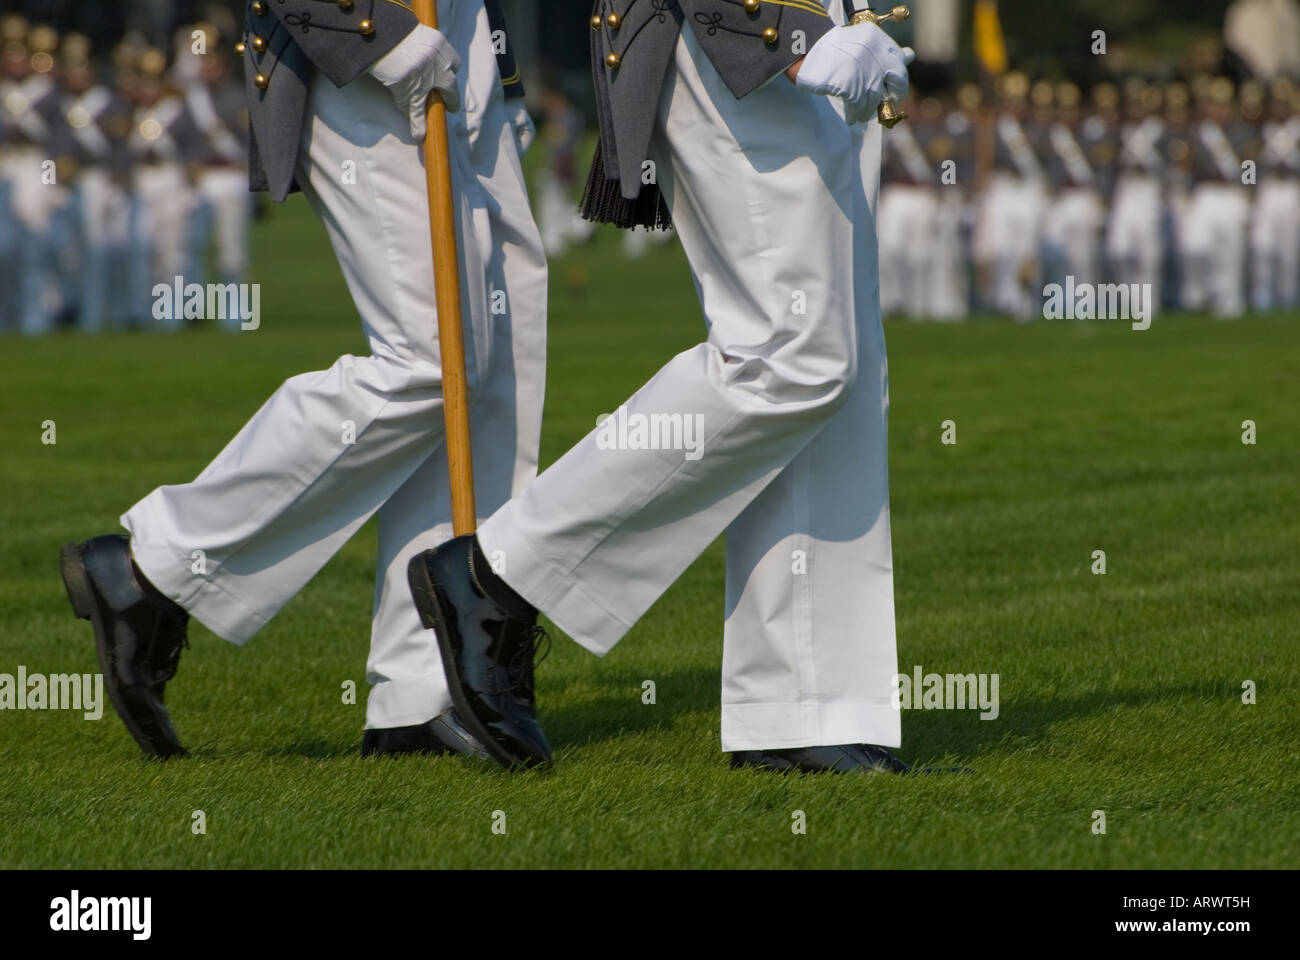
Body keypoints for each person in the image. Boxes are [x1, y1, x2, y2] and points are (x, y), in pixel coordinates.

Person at [407, 0, 918, 775]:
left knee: (838, 369)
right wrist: (794, 28)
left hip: (818, 21)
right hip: (739, 21)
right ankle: (498, 572)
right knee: (790, 356)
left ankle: (801, 704)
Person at [59, 0, 547, 761]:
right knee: (428, 363)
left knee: (487, 366)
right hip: (366, 34)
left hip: (463, 32)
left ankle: (421, 694)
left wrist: (499, 70)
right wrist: (371, 29)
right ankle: (155, 564)